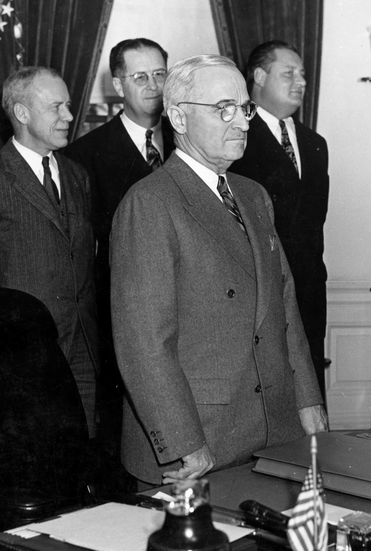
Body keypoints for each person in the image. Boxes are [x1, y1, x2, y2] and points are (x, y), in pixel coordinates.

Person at [110, 55, 327, 488]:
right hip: (200, 443)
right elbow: (144, 344)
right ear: (179, 117)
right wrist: (183, 443)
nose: (243, 123)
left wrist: (307, 399)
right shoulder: (150, 203)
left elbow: (284, 306)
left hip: (272, 431)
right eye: (223, 108)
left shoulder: (253, 195)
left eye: (244, 108)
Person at [0, 66, 99, 435]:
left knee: (80, 464)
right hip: (20, 362)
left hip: (82, 353)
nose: (68, 116)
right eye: (56, 107)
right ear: (21, 113)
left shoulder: (77, 175)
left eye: (68, 105)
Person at [64, 38, 174, 443]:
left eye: (161, 74)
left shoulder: (188, 144)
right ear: (117, 84)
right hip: (119, 321)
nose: (154, 86)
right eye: (140, 76)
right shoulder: (83, 155)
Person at [229, 40, 330, 399]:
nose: (301, 81)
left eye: (303, 74)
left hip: (309, 293)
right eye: (289, 73)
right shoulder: (235, 137)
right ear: (258, 76)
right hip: (259, 291)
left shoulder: (315, 144)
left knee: (310, 393)